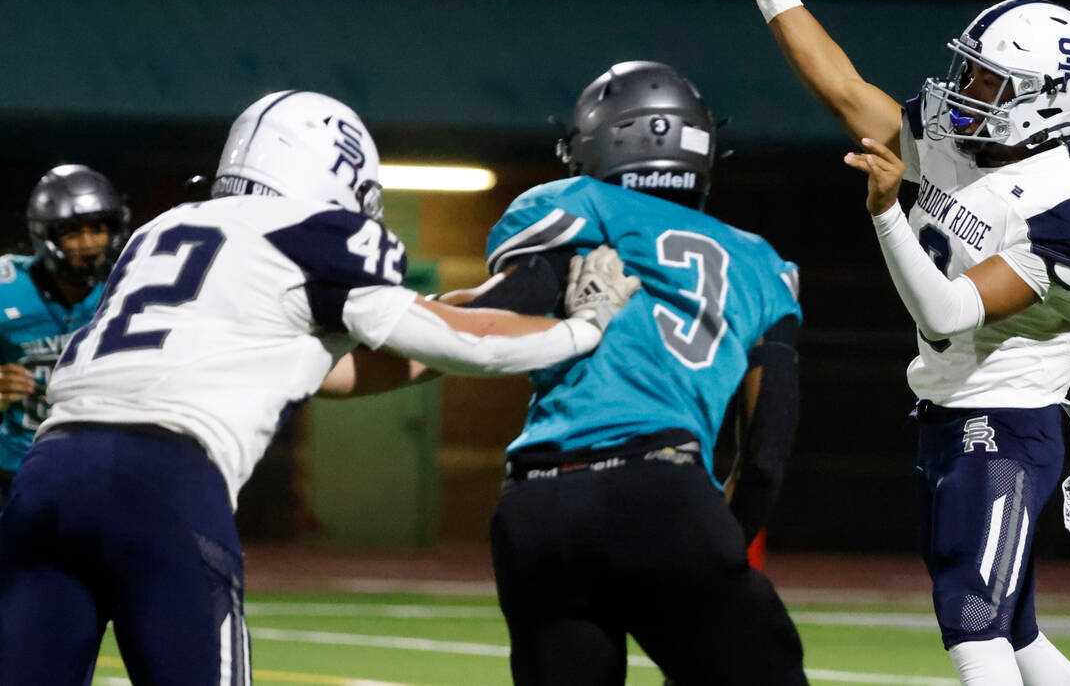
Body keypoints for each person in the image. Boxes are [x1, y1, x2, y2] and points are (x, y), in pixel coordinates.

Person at [0, 90, 640, 686]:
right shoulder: (316, 233)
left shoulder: (161, 233)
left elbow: (315, 364)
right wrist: (582, 329)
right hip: (163, 481)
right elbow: (463, 338)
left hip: (47, 477)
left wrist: (445, 326)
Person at [698, 0, 1070, 686]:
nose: (964, 89)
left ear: (1049, 100)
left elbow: (946, 311)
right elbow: (840, 88)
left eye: (990, 80)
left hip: (1004, 426)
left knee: (973, 627)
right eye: (970, 68)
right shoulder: (957, 138)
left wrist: (885, 213)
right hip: (950, 415)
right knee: (1021, 634)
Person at [455, 61, 808, 685]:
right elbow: (763, 460)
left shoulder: (579, 210)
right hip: (659, 493)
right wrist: (710, 548)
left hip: (537, 504)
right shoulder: (761, 264)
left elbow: (488, 321)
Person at [0, 164, 131, 505]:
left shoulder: (127, 290)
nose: (88, 244)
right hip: (11, 471)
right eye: (73, 232)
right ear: (45, 235)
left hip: (98, 471)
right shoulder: (7, 288)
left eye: (98, 229)